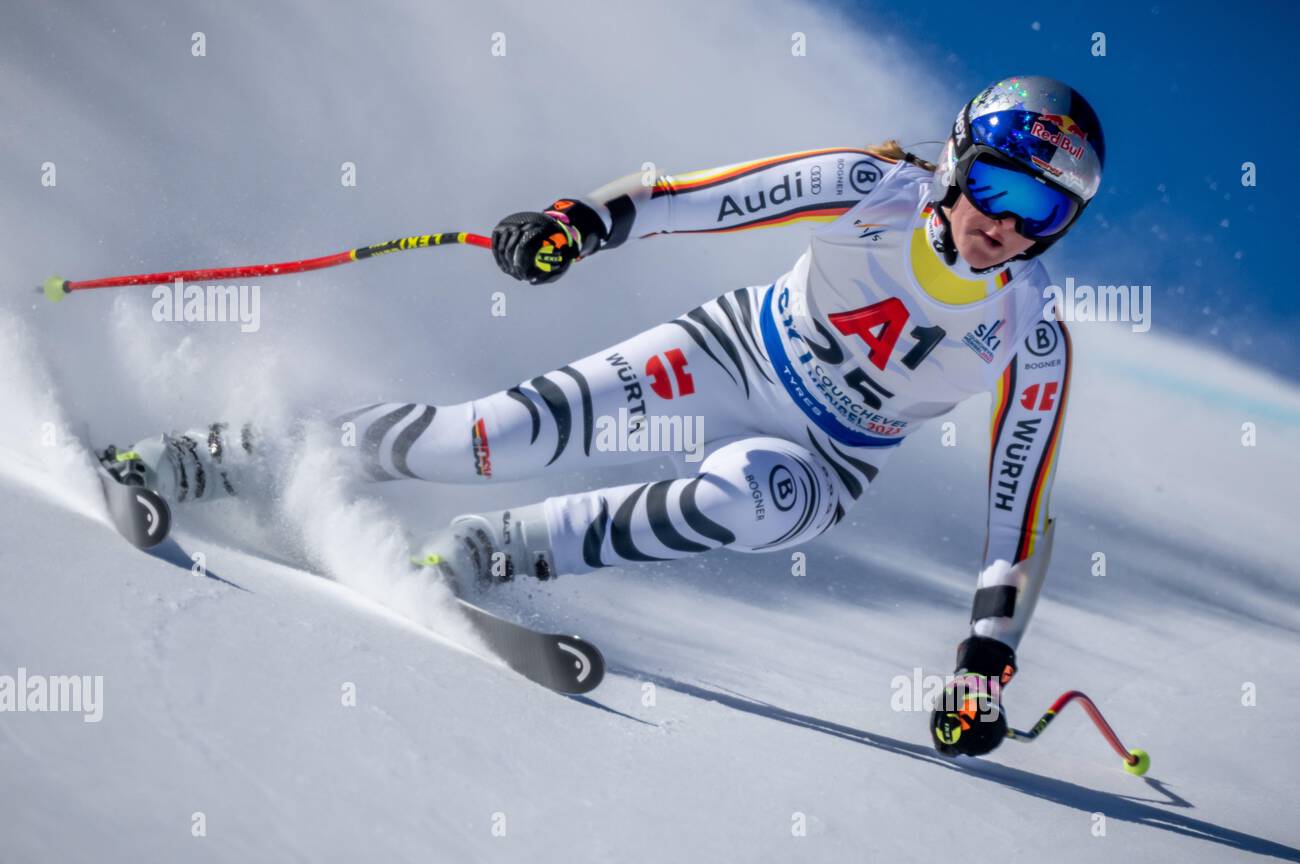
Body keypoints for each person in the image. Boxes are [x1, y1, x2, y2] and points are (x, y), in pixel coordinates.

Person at [107, 75, 1104, 759]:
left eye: (1044, 211)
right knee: (483, 439)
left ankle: (492, 554)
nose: (1007, 223)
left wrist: (983, 666)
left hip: (827, 464)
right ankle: (218, 457)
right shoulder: (866, 189)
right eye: (998, 182)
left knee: (753, 496)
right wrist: (572, 224)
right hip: (731, 352)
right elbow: (689, 200)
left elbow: (1016, 521)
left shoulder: (1031, 334)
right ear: (954, 161)